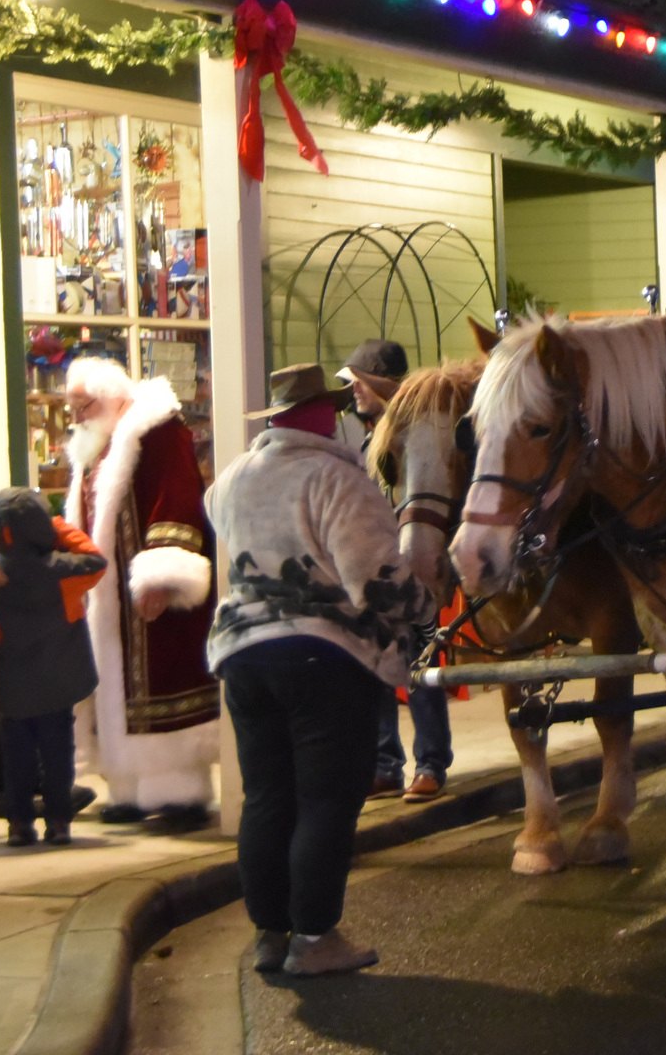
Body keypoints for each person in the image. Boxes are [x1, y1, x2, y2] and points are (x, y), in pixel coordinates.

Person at [206, 363, 441, 978]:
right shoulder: (337, 479)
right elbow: (375, 579)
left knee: (268, 796)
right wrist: (425, 606)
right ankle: (314, 937)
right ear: (323, 416)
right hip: (324, 655)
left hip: (242, 655)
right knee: (326, 800)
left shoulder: (229, 480)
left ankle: (270, 932)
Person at [63, 356, 219, 823]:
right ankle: (126, 787)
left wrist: (161, 577)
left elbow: (177, 498)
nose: (76, 418)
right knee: (114, 684)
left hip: (147, 592)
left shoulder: (157, 431)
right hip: (106, 595)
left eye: (82, 405)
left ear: (110, 398)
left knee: (158, 682)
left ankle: (177, 792)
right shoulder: (99, 443)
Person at [337, 338, 454, 802]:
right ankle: (385, 762)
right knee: (376, 667)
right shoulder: (367, 437)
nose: (354, 392)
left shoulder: (410, 435)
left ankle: (430, 762)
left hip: (409, 562)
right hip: (377, 565)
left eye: (360, 383)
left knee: (420, 663)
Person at [0, 488, 108, 847]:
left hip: (12, 686)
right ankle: (58, 821)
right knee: (58, 753)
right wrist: (58, 528)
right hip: (59, 682)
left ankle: (20, 824)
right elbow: (96, 560)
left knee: (17, 756)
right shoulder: (63, 572)